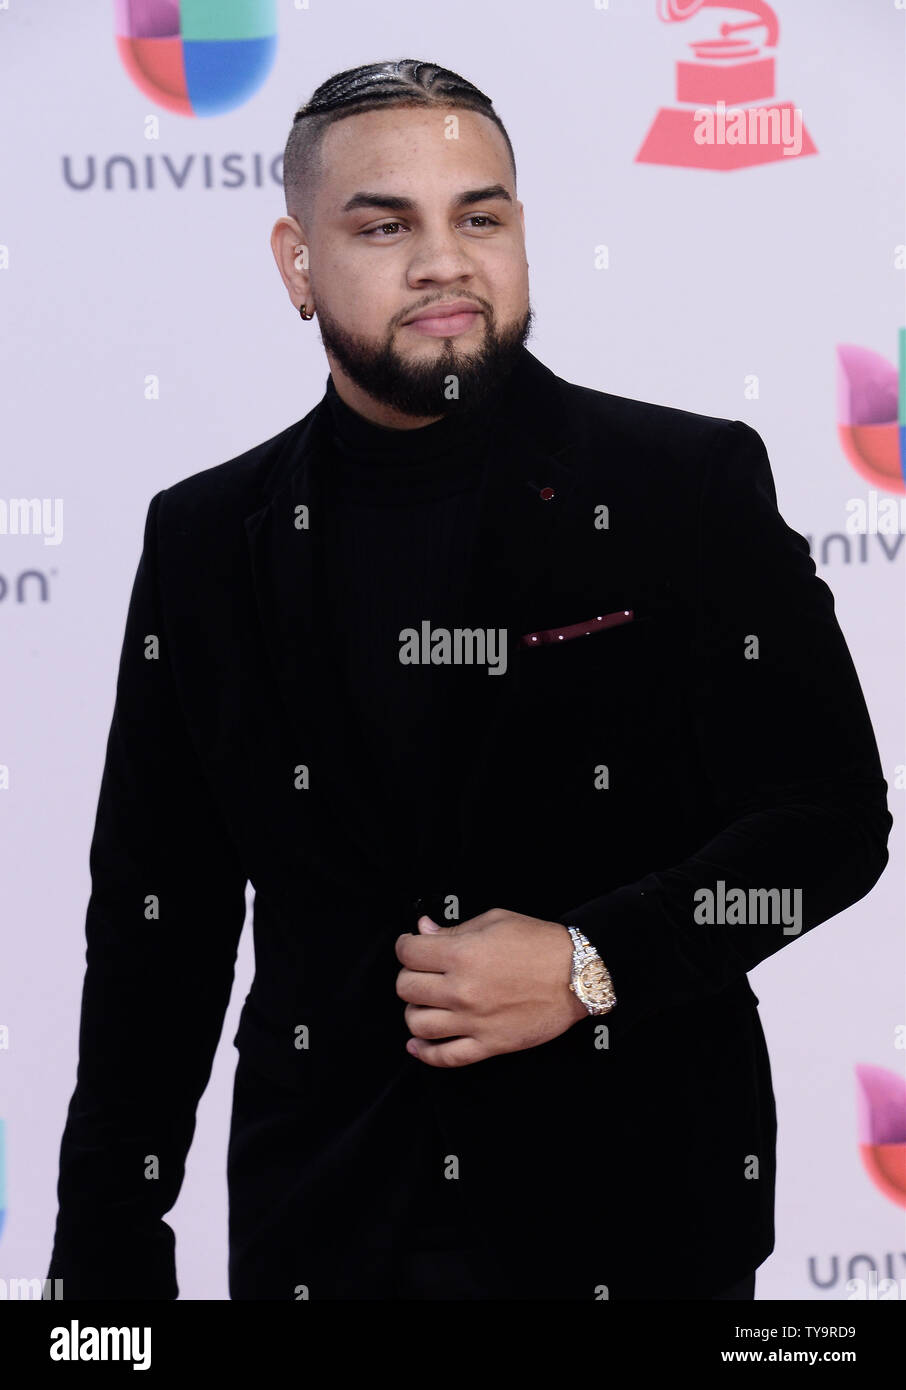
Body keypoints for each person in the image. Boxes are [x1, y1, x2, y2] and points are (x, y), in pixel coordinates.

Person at [48, 58, 892, 1301]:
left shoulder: (682, 487)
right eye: (386, 224)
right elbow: (154, 929)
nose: (444, 260)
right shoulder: (206, 538)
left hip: (640, 1220)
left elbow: (831, 825)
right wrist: (106, 1259)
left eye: (480, 216)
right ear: (296, 263)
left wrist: (592, 960)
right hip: (324, 1230)